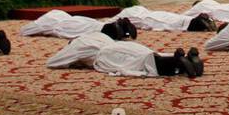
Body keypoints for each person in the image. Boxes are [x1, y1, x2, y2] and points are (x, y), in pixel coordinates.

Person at [47, 32, 204, 78]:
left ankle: (178, 61)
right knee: (145, 54)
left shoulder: (78, 44)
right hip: (121, 45)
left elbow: (53, 62)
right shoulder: (96, 35)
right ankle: (184, 60)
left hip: (107, 55)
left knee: (142, 64)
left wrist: (73, 59)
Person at [19, 8, 139, 40]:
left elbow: (24, 31)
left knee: (86, 27)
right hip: (75, 22)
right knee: (90, 26)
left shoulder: (50, 20)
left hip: (69, 23)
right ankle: (117, 30)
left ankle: (116, 30)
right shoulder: (52, 19)